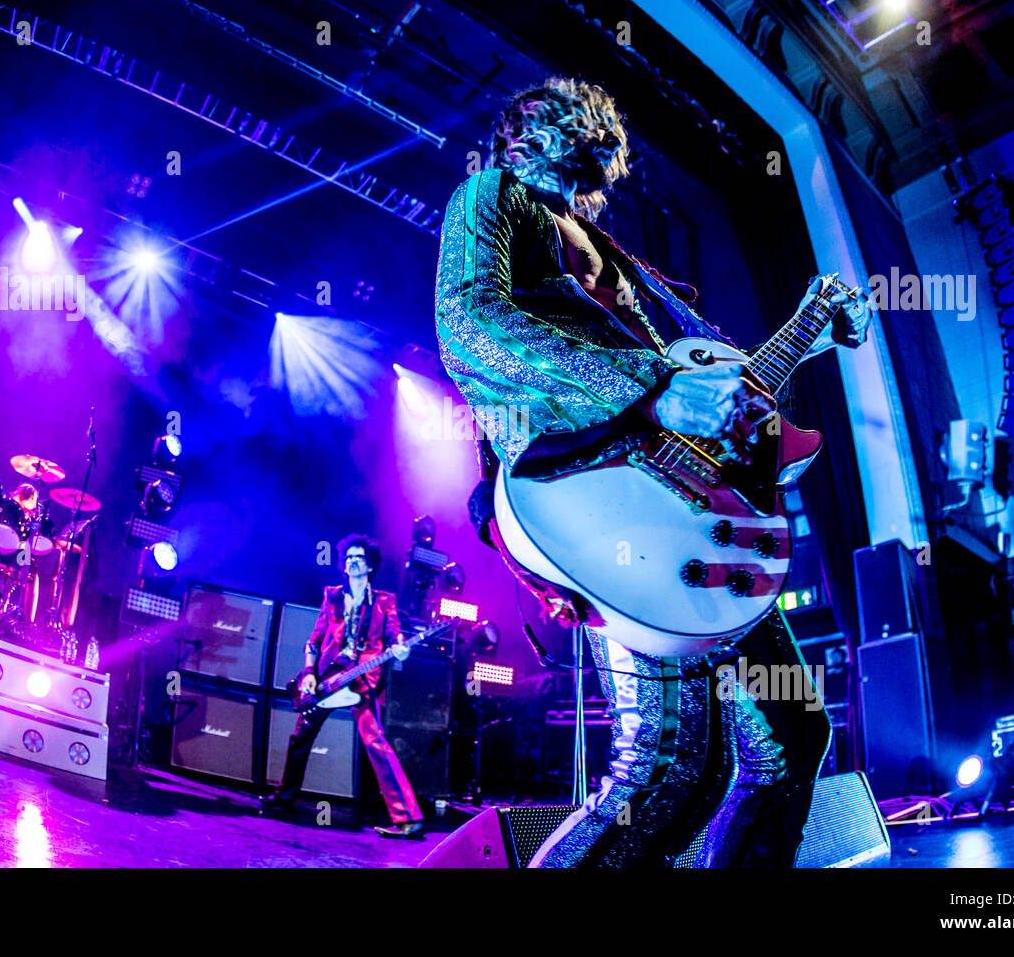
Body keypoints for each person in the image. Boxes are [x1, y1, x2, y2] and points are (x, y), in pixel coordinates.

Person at [433, 77, 873, 866]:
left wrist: (812, 328)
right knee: (672, 767)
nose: (611, 138)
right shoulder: (492, 195)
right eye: (593, 122)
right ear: (539, 126)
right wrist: (654, 391)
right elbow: (469, 323)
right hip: (599, 492)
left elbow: (708, 380)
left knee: (797, 735)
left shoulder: (623, 258)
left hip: (698, 513)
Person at [261, 533, 426, 838]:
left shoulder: (385, 601)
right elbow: (316, 639)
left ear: (371, 565)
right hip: (327, 679)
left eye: (358, 558)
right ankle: (284, 799)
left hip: (362, 681)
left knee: (376, 742)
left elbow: (395, 637)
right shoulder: (332, 596)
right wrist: (309, 672)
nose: (351, 562)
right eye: (348, 557)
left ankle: (408, 819)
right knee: (300, 737)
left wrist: (402, 648)